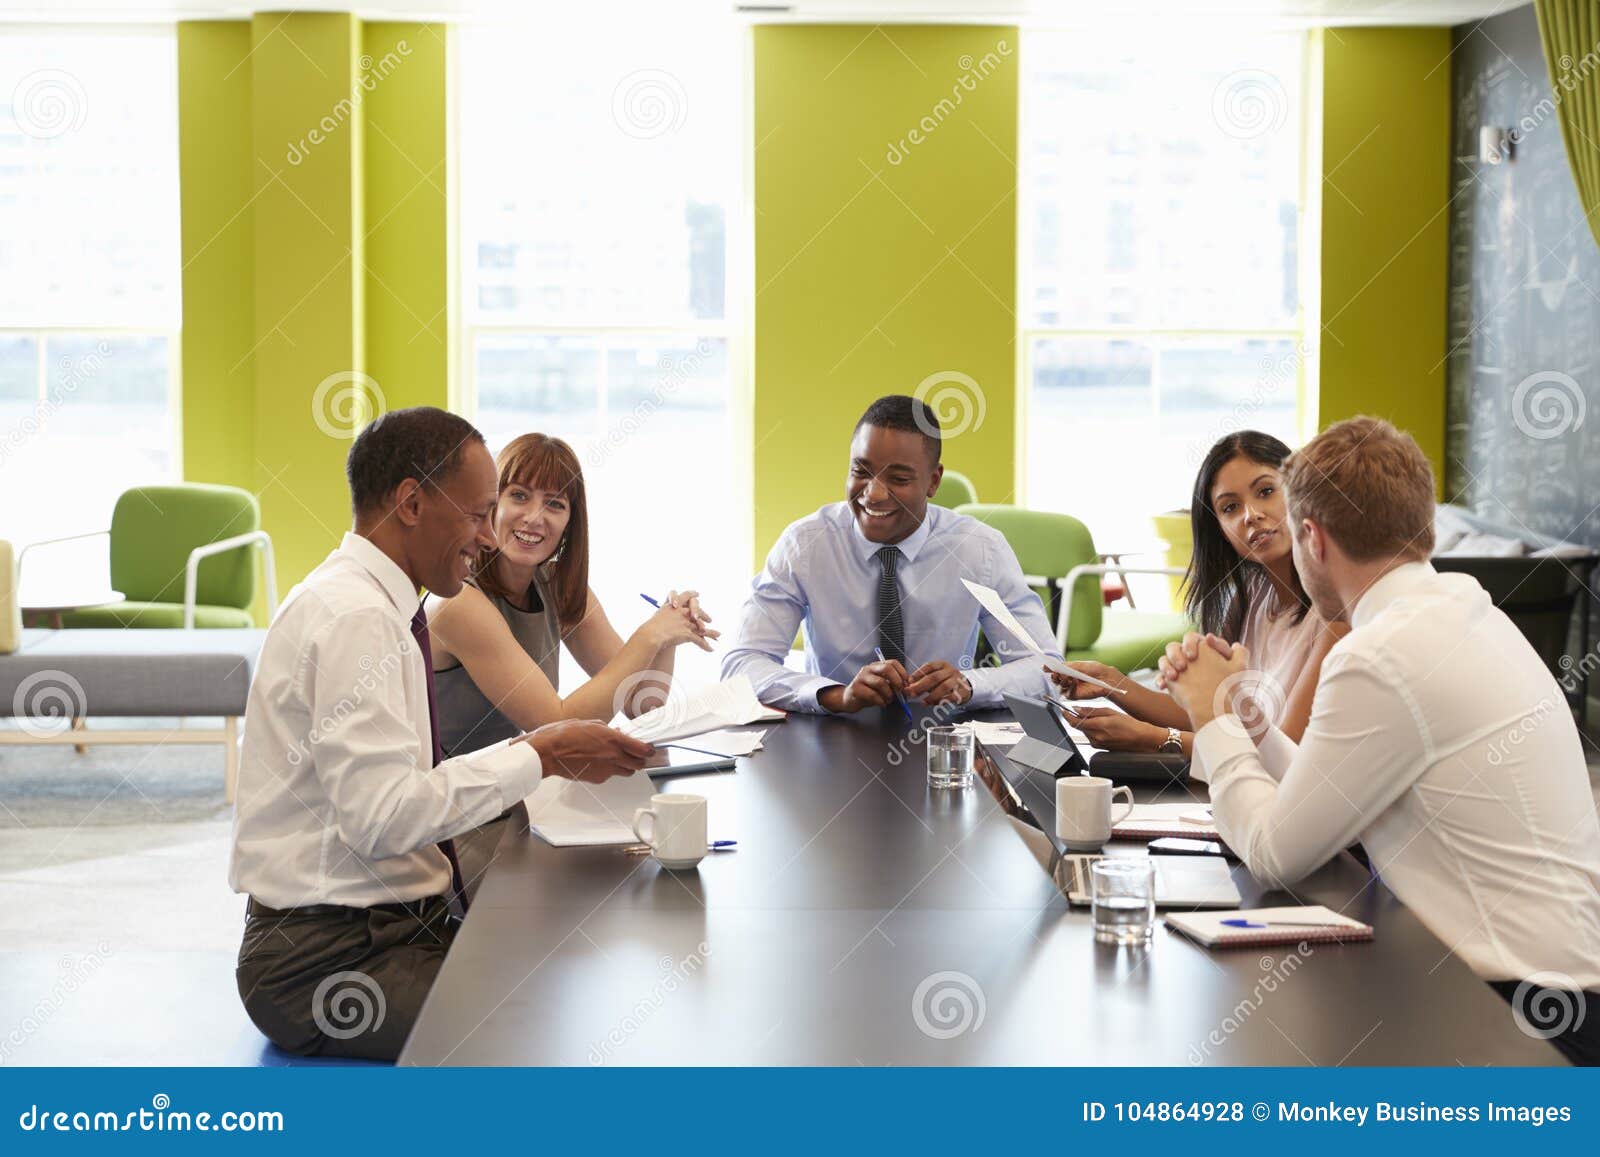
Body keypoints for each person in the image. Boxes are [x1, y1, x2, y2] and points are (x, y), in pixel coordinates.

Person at [1158, 415, 1600, 1067]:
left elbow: (1274, 852)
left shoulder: (1379, 655)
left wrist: (1210, 720)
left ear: (1312, 537)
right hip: (1549, 987)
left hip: (1524, 1016)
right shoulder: (1462, 607)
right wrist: (1245, 719)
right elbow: (1324, 781)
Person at [229, 407, 654, 1060]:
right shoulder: (357, 619)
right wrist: (538, 753)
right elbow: (383, 818)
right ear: (410, 503)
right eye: (480, 512)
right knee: (546, 1035)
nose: (488, 537)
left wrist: (538, 754)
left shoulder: (379, 607)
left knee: (577, 988)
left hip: (395, 930)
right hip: (326, 962)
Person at [722, 394, 1059, 714]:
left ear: (933, 481)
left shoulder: (981, 549)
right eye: (861, 471)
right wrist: (834, 695)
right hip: (832, 732)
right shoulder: (805, 545)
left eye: (898, 478)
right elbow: (742, 665)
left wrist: (969, 684)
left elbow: (1048, 670)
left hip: (941, 735)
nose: (874, 494)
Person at [1051, 432, 1347, 755]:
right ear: (1219, 528)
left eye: (1265, 491)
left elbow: (1285, 752)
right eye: (1230, 507)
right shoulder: (1250, 597)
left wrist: (1151, 739)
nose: (1251, 515)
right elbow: (1208, 716)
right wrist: (1112, 683)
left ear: (1298, 490)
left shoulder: (1336, 614)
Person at [426, 432, 716, 759]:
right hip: (443, 796)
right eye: (519, 496)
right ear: (492, 505)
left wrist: (667, 632)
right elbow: (557, 724)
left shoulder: (556, 585)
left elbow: (642, 702)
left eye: (555, 504)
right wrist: (649, 636)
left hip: (499, 784)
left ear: (570, 522)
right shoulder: (459, 602)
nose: (535, 518)